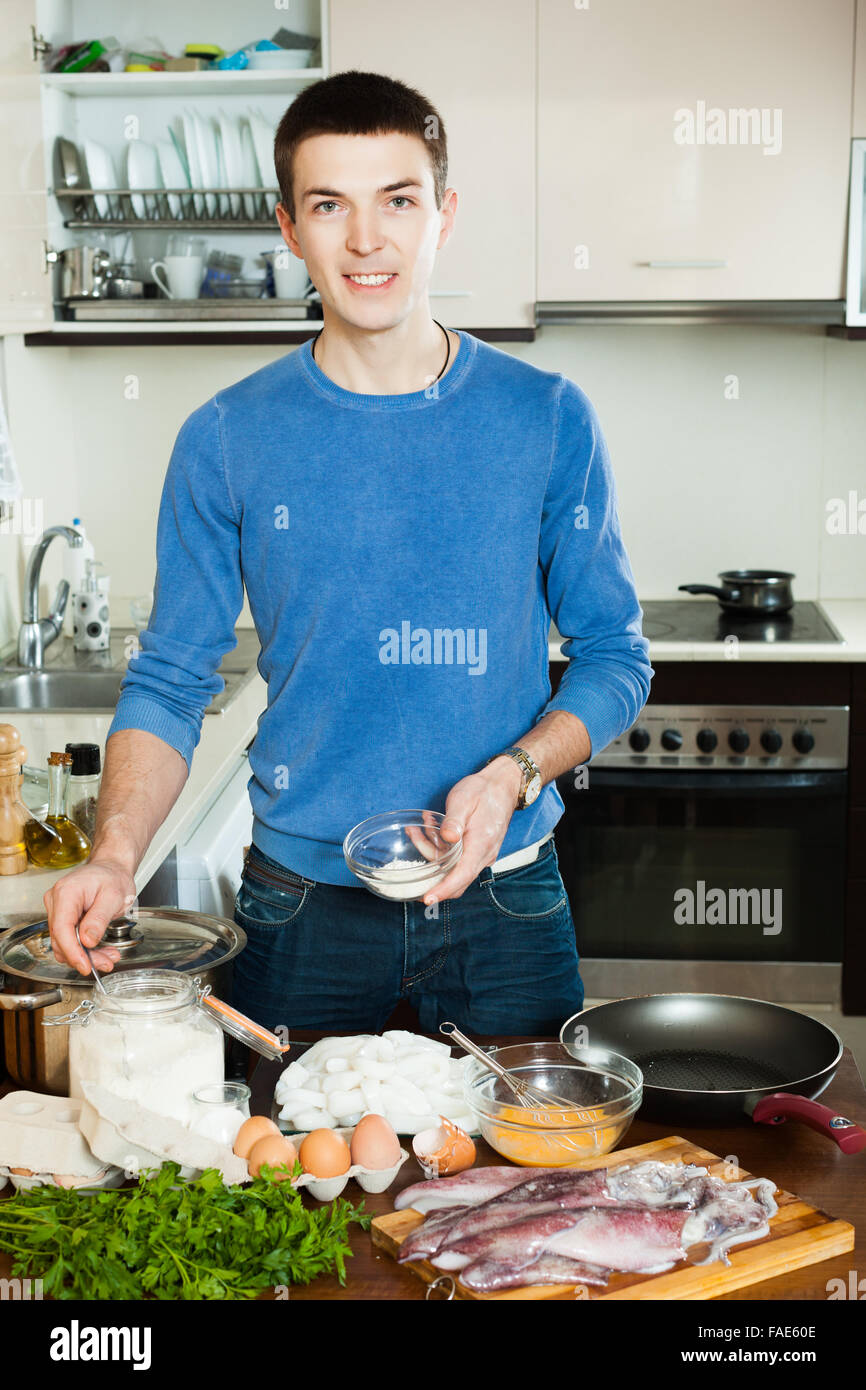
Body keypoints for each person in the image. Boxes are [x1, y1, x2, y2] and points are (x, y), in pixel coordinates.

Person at [44, 69, 652, 1035]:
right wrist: (115, 855)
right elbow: (168, 680)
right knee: (294, 1178)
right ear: (290, 229)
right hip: (301, 913)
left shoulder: (545, 418)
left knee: (540, 1180)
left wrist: (515, 776)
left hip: (505, 902)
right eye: (331, 205)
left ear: (443, 215)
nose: (368, 240)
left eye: (398, 201)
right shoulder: (227, 437)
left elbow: (615, 658)